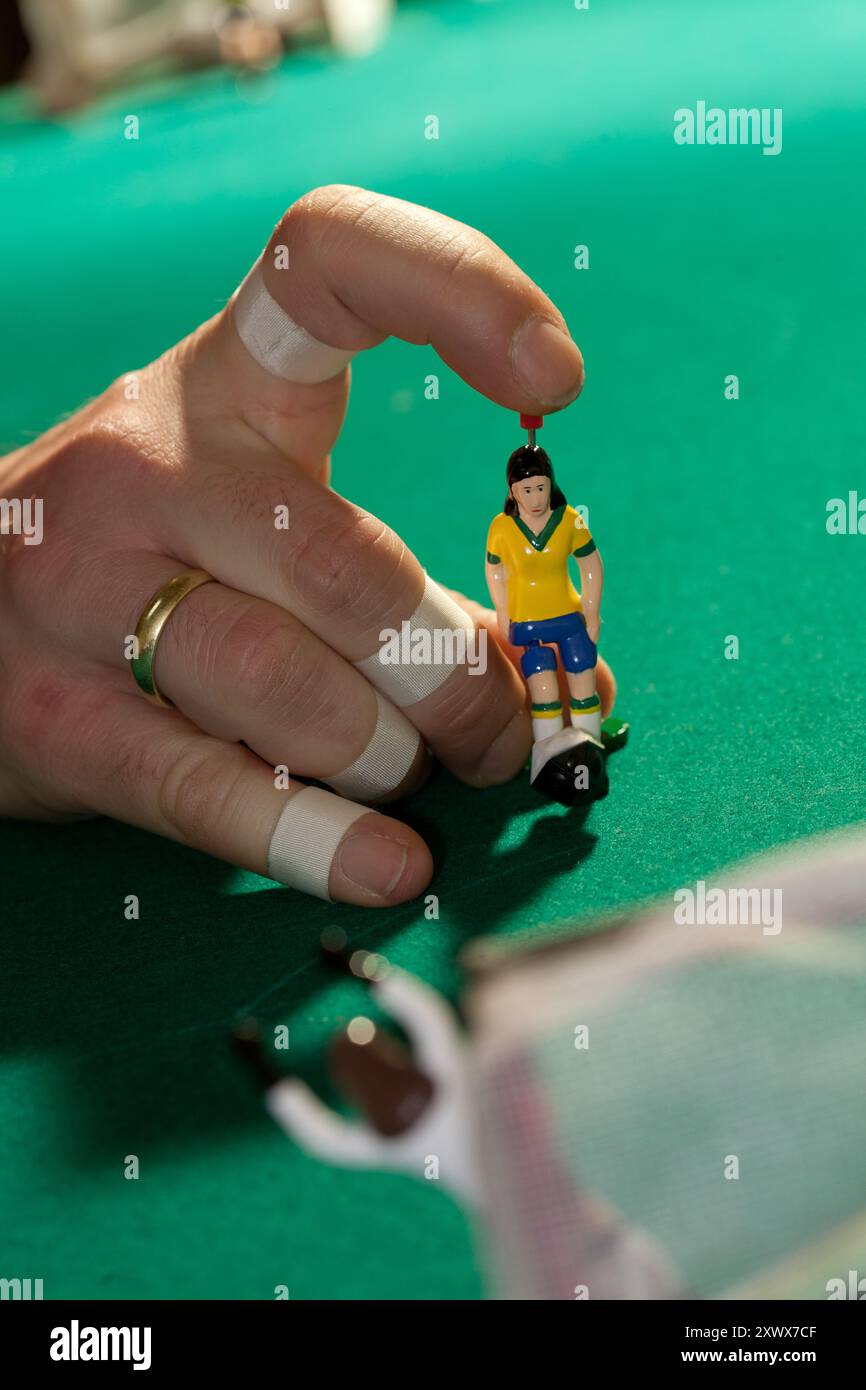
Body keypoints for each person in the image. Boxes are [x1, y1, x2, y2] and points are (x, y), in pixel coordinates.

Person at [0, 185, 614, 906]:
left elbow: (584, 562)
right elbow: (502, 571)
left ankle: (569, 738)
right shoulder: (510, 531)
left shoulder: (555, 525)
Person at [485, 439, 607, 805]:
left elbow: (591, 565)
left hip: (570, 618)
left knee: (584, 682)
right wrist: (504, 613)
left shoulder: (569, 519)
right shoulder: (502, 528)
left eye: (540, 487)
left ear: (550, 484)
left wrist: (591, 610)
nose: (535, 497)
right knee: (544, 693)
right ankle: (547, 754)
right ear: (512, 491)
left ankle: (593, 745)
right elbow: (495, 572)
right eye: (526, 490)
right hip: (530, 624)